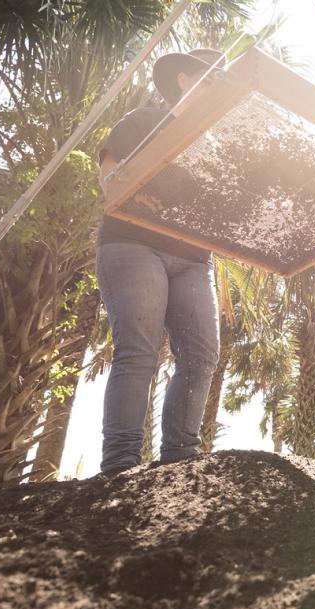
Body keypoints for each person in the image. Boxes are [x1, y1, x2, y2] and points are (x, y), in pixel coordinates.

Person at [95, 49, 226, 473]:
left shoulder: (221, 144)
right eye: (213, 78)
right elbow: (110, 181)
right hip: (133, 244)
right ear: (185, 79)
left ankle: (179, 456)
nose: (221, 87)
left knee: (202, 351)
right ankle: (120, 463)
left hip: (192, 256)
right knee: (138, 349)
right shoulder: (139, 121)